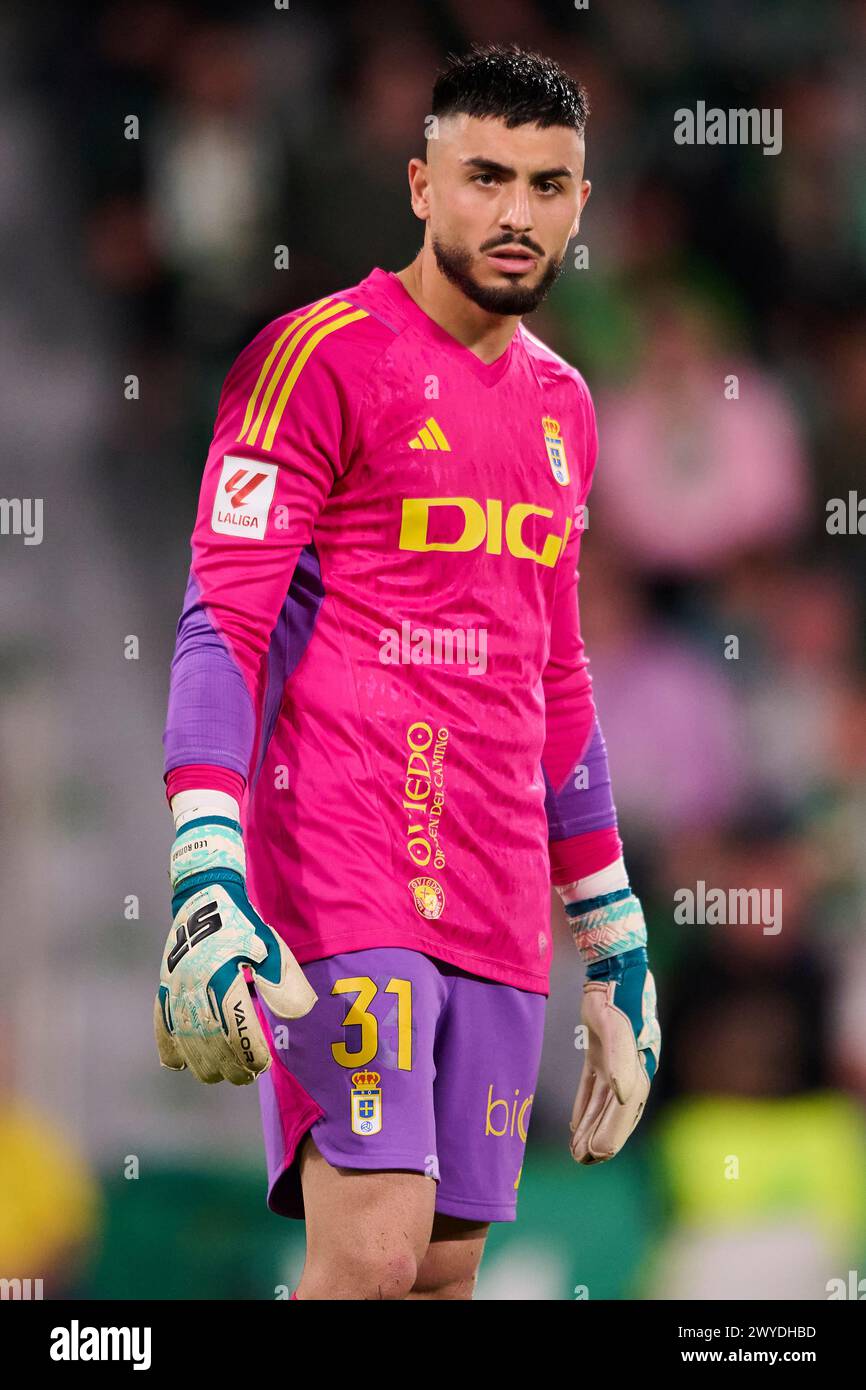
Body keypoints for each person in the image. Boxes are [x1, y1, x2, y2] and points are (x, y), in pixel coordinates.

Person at [155, 42, 660, 1301]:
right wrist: (205, 862)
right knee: (368, 1257)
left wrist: (610, 933)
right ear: (420, 184)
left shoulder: (564, 408)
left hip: (496, 890)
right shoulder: (315, 358)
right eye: (484, 176)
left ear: (580, 204)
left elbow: (554, 675)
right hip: (342, 858)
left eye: (547, 186)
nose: (514, 213)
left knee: (438, 1278)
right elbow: (222, 619)